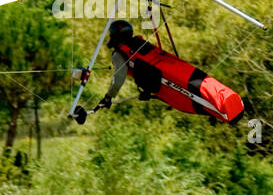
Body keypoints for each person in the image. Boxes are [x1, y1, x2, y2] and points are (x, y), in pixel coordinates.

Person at [91, 19, 244, 124]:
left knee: (198, 93)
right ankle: (228, 102)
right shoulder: (140, 43)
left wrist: (108, 97)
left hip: (169, 79)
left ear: (116, 36)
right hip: (177, 71)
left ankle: (226, 108)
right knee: (204, 87)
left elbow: (119, 78)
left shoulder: (119, 54)